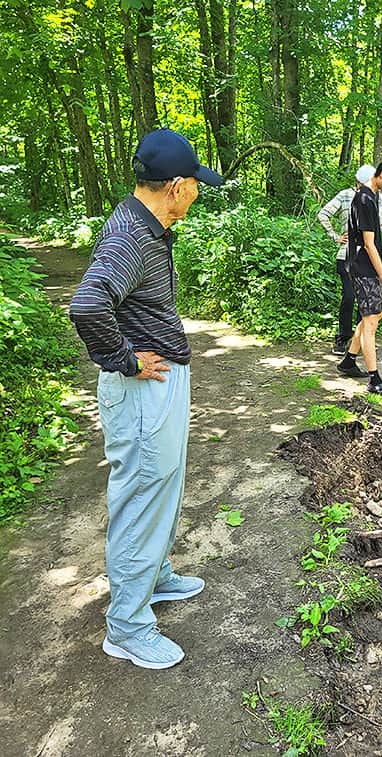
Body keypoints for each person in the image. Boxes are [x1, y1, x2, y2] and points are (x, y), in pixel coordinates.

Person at [69, 128, 223, 670]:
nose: (198, 195)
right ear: (177, 187)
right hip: (140, 391)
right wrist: (127, 359)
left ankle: (154, 576)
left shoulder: (147, 226)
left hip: (157, 387)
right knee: (139, 499)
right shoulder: (131, 237)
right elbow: (88, 305)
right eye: (195, 186)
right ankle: (128, 627)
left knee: (161, 487)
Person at [337, 155, 382, 397]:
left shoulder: (372, 195)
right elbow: (369, 244)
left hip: (365, 266)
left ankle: (348, 361)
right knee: (370, 320)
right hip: (362, 266)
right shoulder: (366, 199)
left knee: (375, 314)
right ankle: (374, 379)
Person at [318, 165, 382, 355]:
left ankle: (363, 339)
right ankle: (342, 338)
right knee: (349, 297)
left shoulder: (377, 197)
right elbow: (323, 214)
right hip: (346, 255)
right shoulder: (345, 195)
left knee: (364, 304)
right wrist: (335, 236)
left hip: (367, 258)